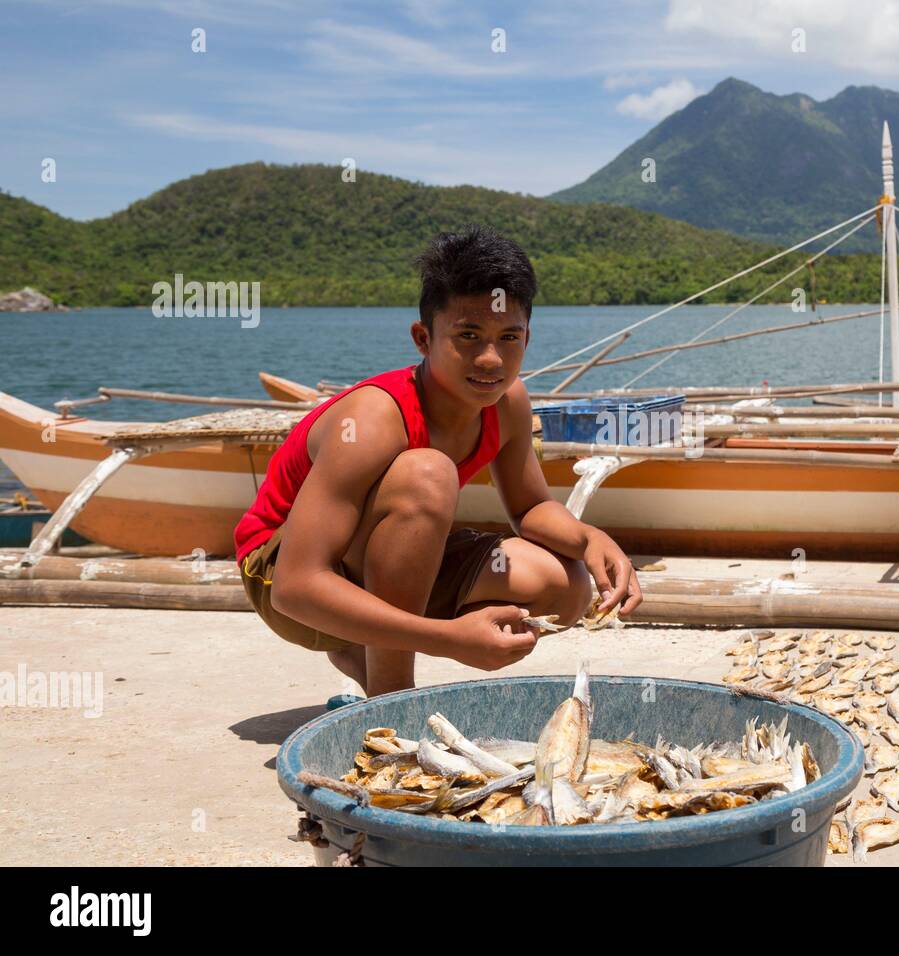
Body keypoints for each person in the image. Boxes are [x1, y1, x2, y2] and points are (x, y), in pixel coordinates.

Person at [234, 225, 641, 697]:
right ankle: (390, 700)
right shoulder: (374, 417)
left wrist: (591, 538)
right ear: (423, 338)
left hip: (366, 565)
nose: (491, 359)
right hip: (281, 578)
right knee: (427, 472)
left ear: (528, 337)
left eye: (509, 337)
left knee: (563, 585)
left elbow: (529, 507)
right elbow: (295, 586)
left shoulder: (508, 402)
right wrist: (449, 641)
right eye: (468, 335)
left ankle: (363, 646)